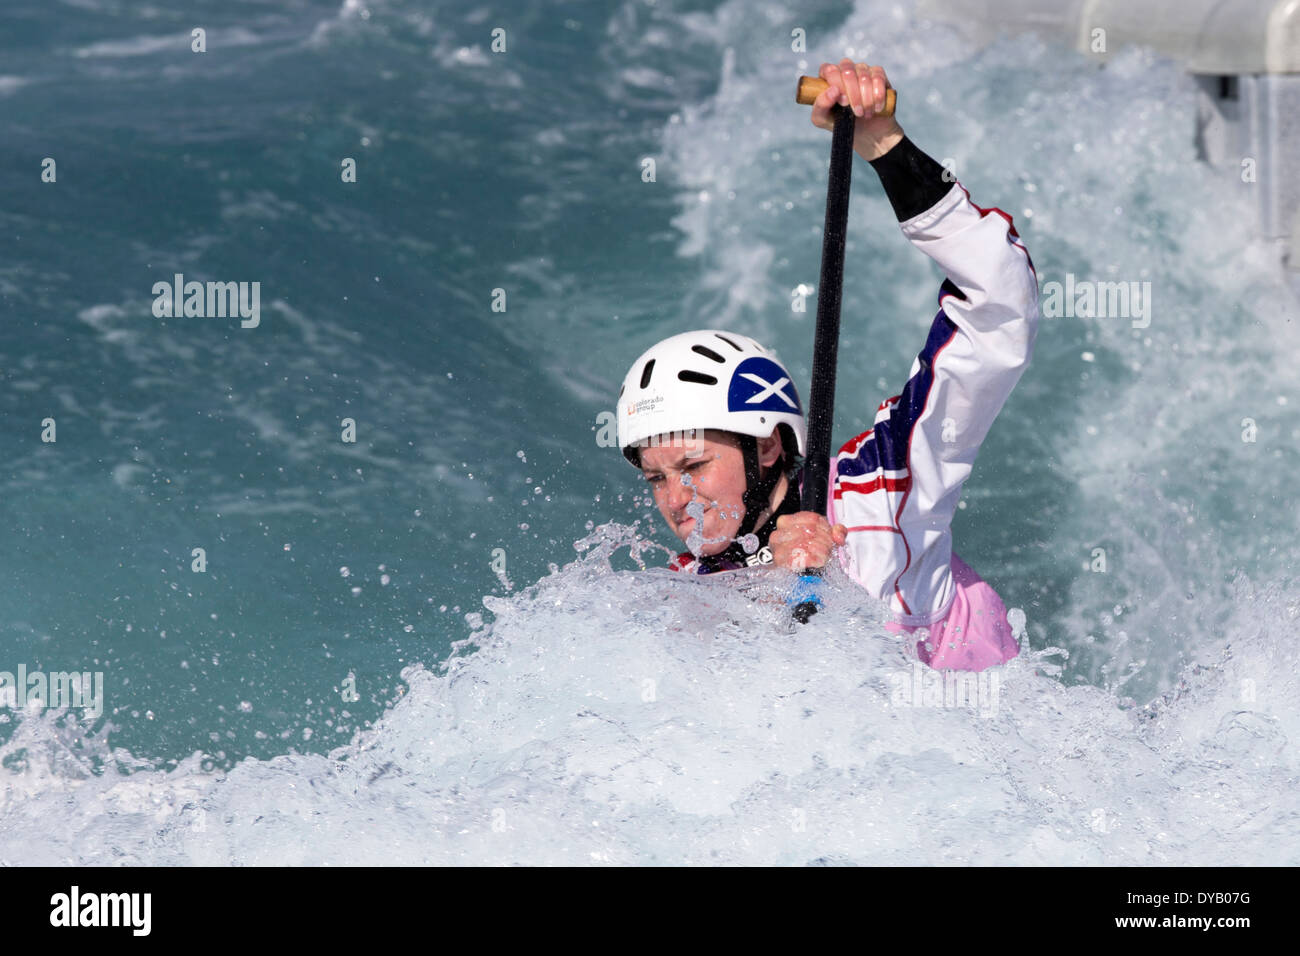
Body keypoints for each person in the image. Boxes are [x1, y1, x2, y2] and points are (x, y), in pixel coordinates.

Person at [614, 60, 1039, 672]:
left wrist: (886, 148)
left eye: (693, 465)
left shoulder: (884, 484)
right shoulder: (686, 596)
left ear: (764, 447)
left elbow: (998, 306)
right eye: (656, 478)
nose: (676, 499)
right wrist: (774, 600)